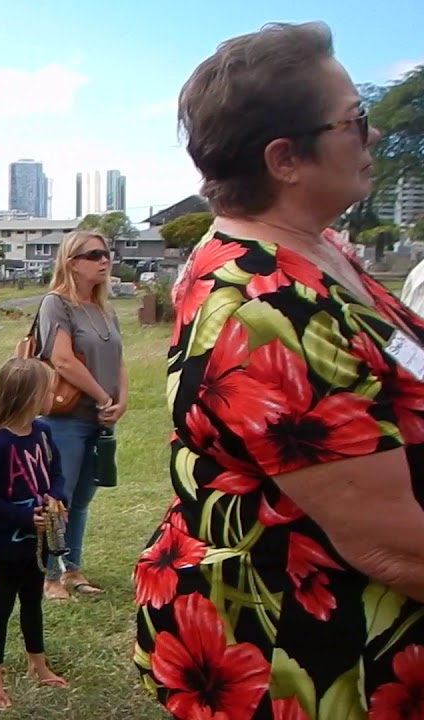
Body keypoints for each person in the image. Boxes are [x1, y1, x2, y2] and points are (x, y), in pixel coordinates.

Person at [134, 21, 424, 719]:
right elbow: (391, 547)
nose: (375, 134)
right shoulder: (268, 309)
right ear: (285, 158)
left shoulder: (317, 251)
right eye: (354, 120)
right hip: (312, 658)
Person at [0, 357, 70, 712]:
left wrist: (56, 497)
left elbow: (57, 473)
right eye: (49, 391)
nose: (55, 396)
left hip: (38, 541)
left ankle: (36, 663)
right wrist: (24, 517)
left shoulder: (42, 433)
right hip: (10, 542)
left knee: (32, 601)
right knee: (2, 604)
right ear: (30, 396)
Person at [35, 230, 127, 600]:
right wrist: (103, 396)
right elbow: (61, 359)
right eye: (93, 255)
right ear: (71, 262)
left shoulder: (105, 309)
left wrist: (121, 401)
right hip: (66, 417)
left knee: (83, 497)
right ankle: (50, 575)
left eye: (106, 253)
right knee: (59, 498)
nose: (104, 260)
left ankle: (72, 568)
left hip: (100, 419)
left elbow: (119, 359)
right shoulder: (56, 304)